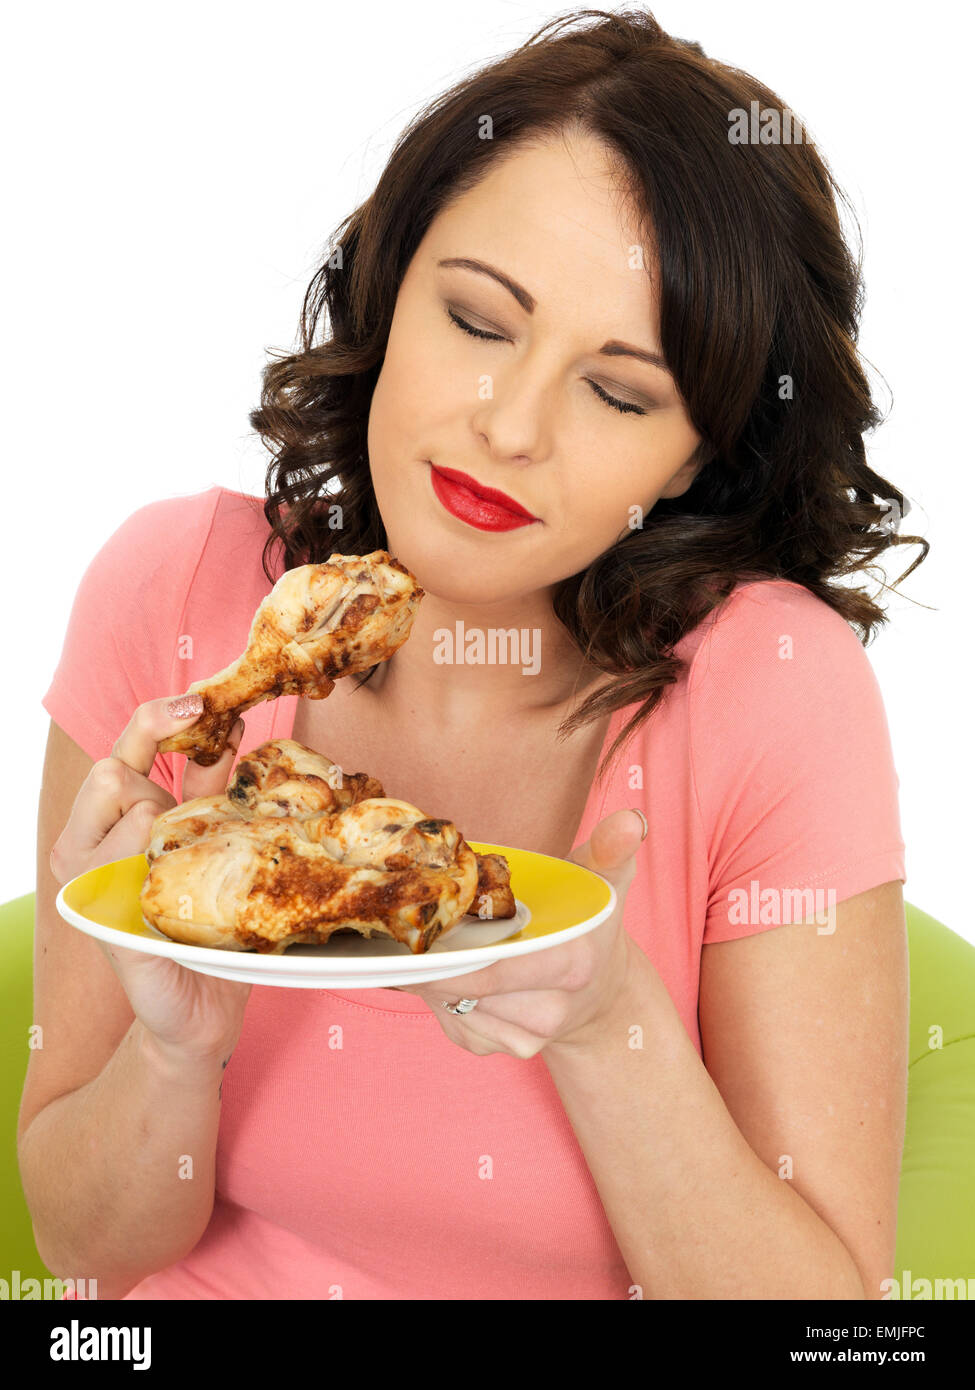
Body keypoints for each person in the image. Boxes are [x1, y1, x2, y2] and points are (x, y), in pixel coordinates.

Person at [21, 9, 926, 1300]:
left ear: (698, 457)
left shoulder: (776, 689)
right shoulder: (175, 596)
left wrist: (611, 1027)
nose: (508, 427)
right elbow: (79, 1242)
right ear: (390, 289)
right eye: (480, 321)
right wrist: (175, 1046)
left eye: (618, 393)